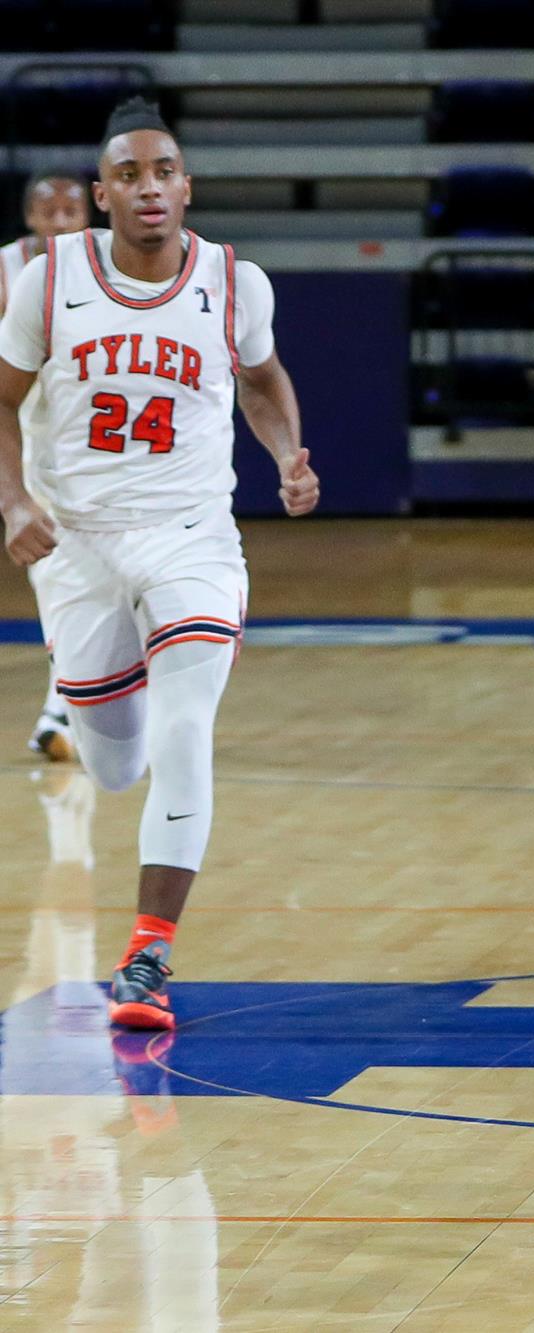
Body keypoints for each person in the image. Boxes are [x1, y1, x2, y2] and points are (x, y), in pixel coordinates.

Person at [0, 98, 319, 1030]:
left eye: (163, 171)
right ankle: (110, 696)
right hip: (77, 541)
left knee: (186, 731)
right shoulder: (45, 282)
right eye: (129, 175)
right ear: (102, 196)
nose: (149, 187)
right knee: (110, 763)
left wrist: (286, 454)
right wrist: (14, 501)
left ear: (186, 186)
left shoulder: (233, 281)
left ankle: (147, 954)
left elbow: (262, 383)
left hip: (191, 532)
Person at [1, 171, 91, 761]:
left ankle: (75, 703)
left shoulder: (105, 263)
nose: (60, 222)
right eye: (49, 212)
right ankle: (64, 704)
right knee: (58, 572)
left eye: (70, 212)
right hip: (28, 433)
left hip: (95, 433)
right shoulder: (8, 269)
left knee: (96, 575)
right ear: (30, 217)